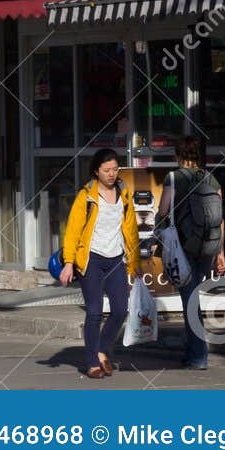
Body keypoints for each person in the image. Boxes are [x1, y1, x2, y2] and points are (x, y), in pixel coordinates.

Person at [59, 148, 141, 379]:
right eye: (106, 170)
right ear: (96, 171)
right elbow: (73, 231)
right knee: (94, 313)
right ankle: (92, 362)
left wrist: (134, 263)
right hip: (92, 260)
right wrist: (68, 262)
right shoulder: (86, 196)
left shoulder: (124, 194)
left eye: (115, 169)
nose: (112, 174)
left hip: (116, 259)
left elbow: (131, 231)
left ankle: (103, 347)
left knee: (120, 310)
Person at [158, 134, 225, 370]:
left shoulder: (173, 178)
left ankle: (198, 355)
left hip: (184, 246)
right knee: (193, 297)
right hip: (208, 246)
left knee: (190, 300)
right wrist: (220, 253)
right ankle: (192, 350)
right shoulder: (212, 179)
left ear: (179, 155)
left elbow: (163, 209)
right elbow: (220, 221)